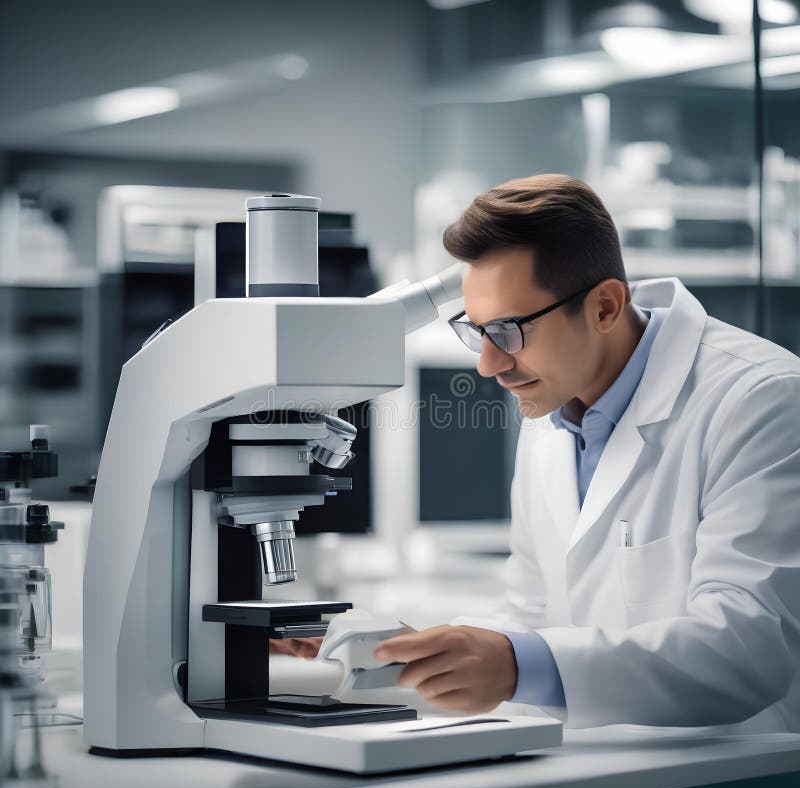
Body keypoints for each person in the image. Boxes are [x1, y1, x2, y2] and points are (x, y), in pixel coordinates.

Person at [276, 174, 800, 731]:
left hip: (736, 770)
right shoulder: (552, 409)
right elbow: (532, 616)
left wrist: (516, 665)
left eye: (506, 330)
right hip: (598, 766)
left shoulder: (762, 400)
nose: (488, 365)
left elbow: (746, 648)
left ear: (604, 307)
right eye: (475, 331)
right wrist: (407, 648)